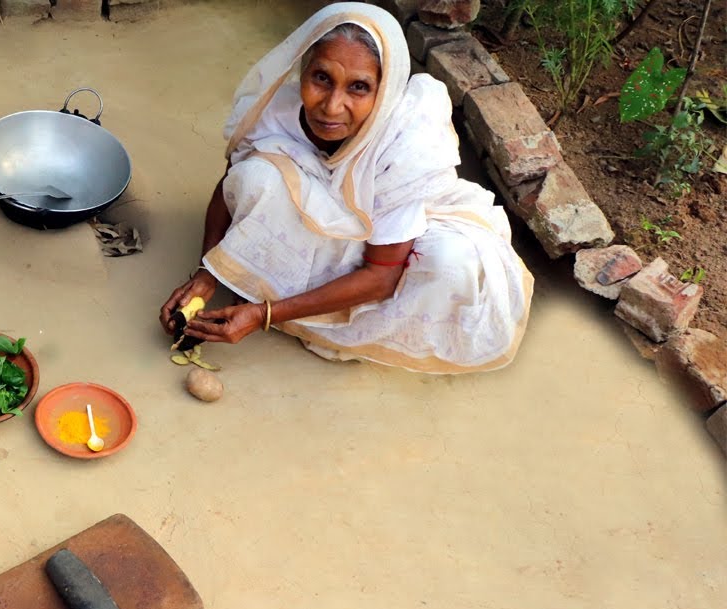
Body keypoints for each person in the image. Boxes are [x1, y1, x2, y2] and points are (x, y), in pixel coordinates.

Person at [158, 2, 534, 373]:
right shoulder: (272, 114)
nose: (332, 107)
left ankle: (323, 312)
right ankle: (287, 284)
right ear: (303, 70)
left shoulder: (403, 147)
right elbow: (229, 187)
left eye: (358, 87)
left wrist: (264, 313)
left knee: (450, 264)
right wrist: (208, 273)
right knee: (255, 175)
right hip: (329, 225)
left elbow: (382, 276)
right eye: (321, 78)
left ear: (383, 91)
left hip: (389, 245)